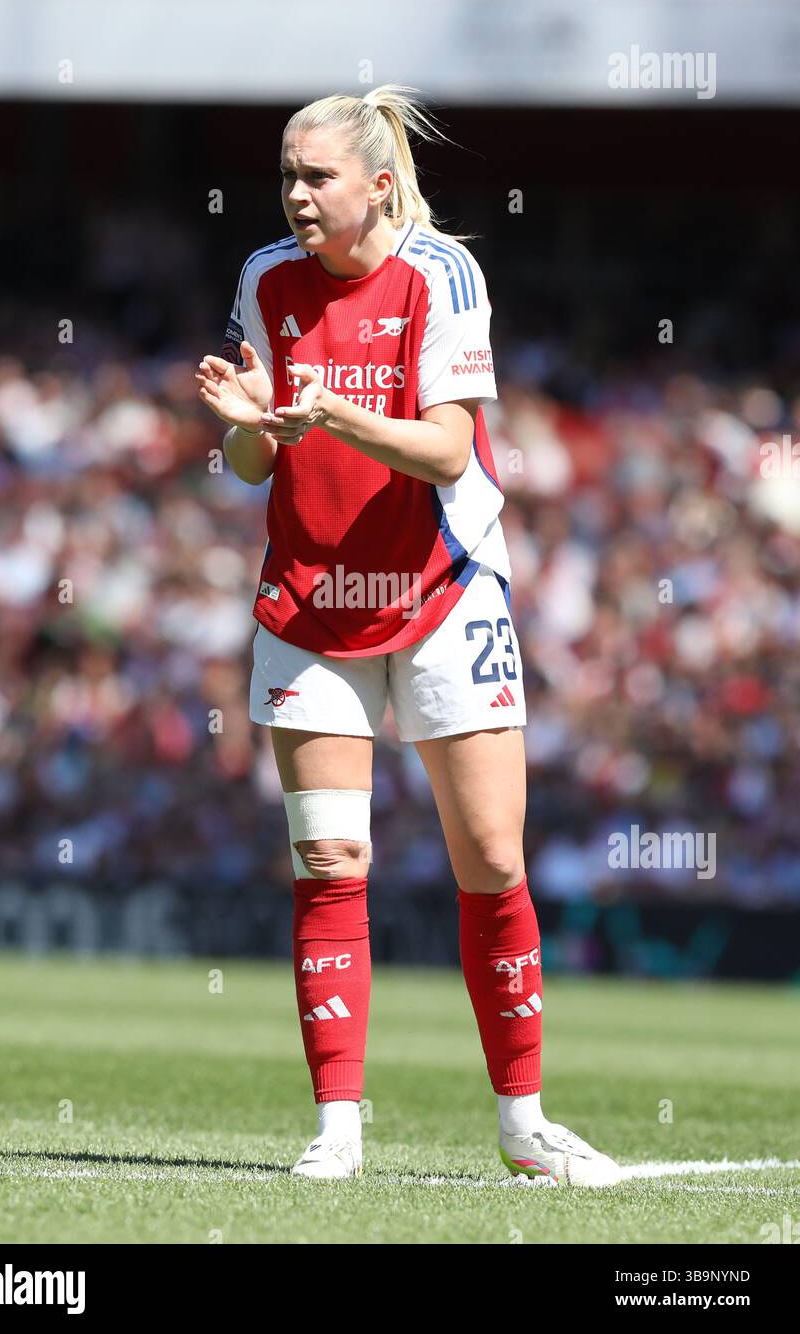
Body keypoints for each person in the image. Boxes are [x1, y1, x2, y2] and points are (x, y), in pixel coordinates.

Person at [195, 84, 620, 1187]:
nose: (293, 194)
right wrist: (247, 429)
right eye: (285, 175)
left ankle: (523, 1123)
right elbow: (258, 459)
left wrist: (326, 407)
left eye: (314, 176)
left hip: (440, 592)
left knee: (487, 858)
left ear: (377, 185)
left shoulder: (440, 272)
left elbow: (442, 451)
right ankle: (337, 1128)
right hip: (311, 602)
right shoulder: (261, 278)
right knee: (330, 861)